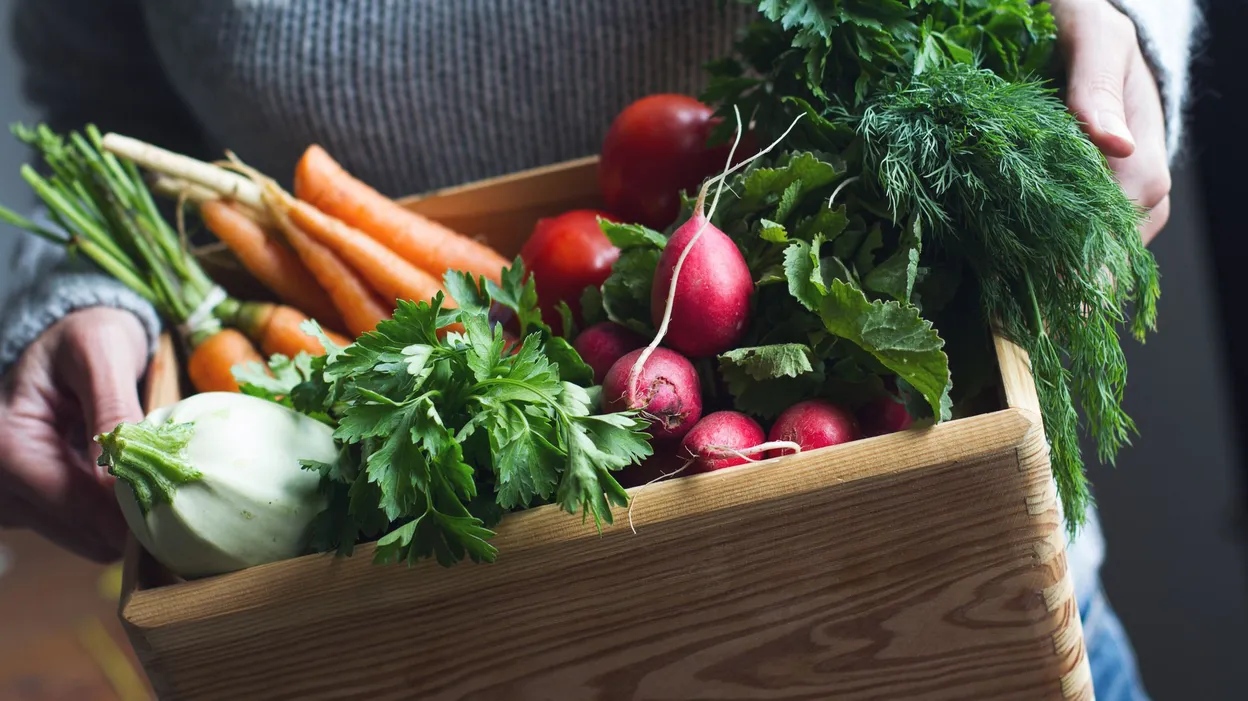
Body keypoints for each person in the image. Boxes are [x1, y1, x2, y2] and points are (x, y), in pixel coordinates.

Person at [0, 1, 1198, 698]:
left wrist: (1114, 33)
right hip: (402, 654)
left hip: (942, 620)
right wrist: (85, 294)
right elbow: (94, 87)